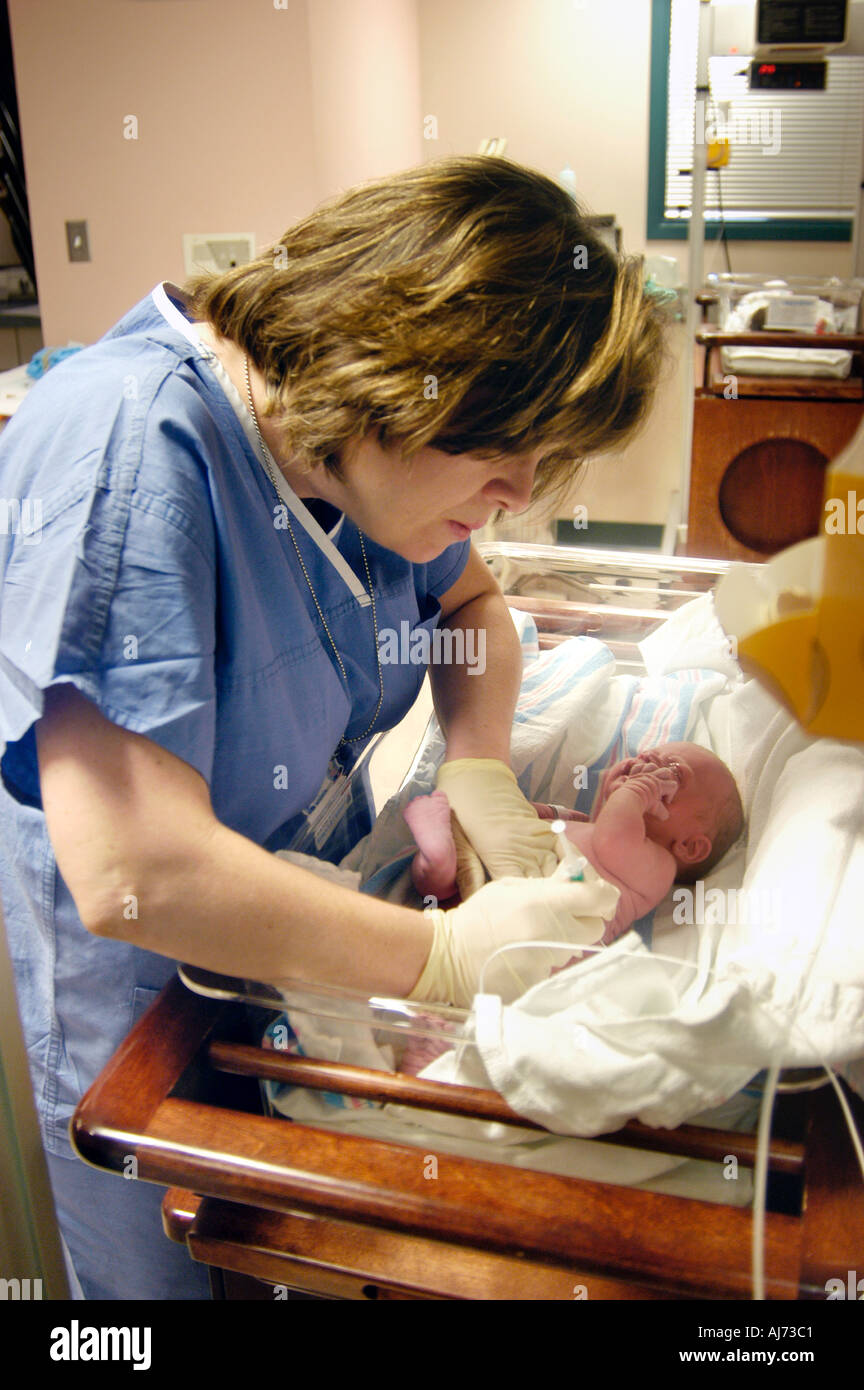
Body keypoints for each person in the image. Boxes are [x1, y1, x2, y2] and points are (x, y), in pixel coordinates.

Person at [0, 156, 664, 1299]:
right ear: (396, 375)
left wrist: (480, 767)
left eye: (546, 463)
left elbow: (473, 607)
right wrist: (447, 957)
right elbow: (135, 872)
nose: (521, 490)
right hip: (143, 1004)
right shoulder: (133, 453)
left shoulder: (354, 471)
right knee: (161, 1288)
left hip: (300, 948)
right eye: (508, 452)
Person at [406, 741, 745, 945]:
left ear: (689, 846)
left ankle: (440, 866)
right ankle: (440, 863)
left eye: (672, 772)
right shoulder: (591, 827)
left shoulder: (657, 868)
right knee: (463, 852)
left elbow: (612, 838)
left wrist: (634, 792)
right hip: (501, 878)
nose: (647, 766)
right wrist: (526, 813)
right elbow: (570, 828)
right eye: (648, 757)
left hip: (540, 925)